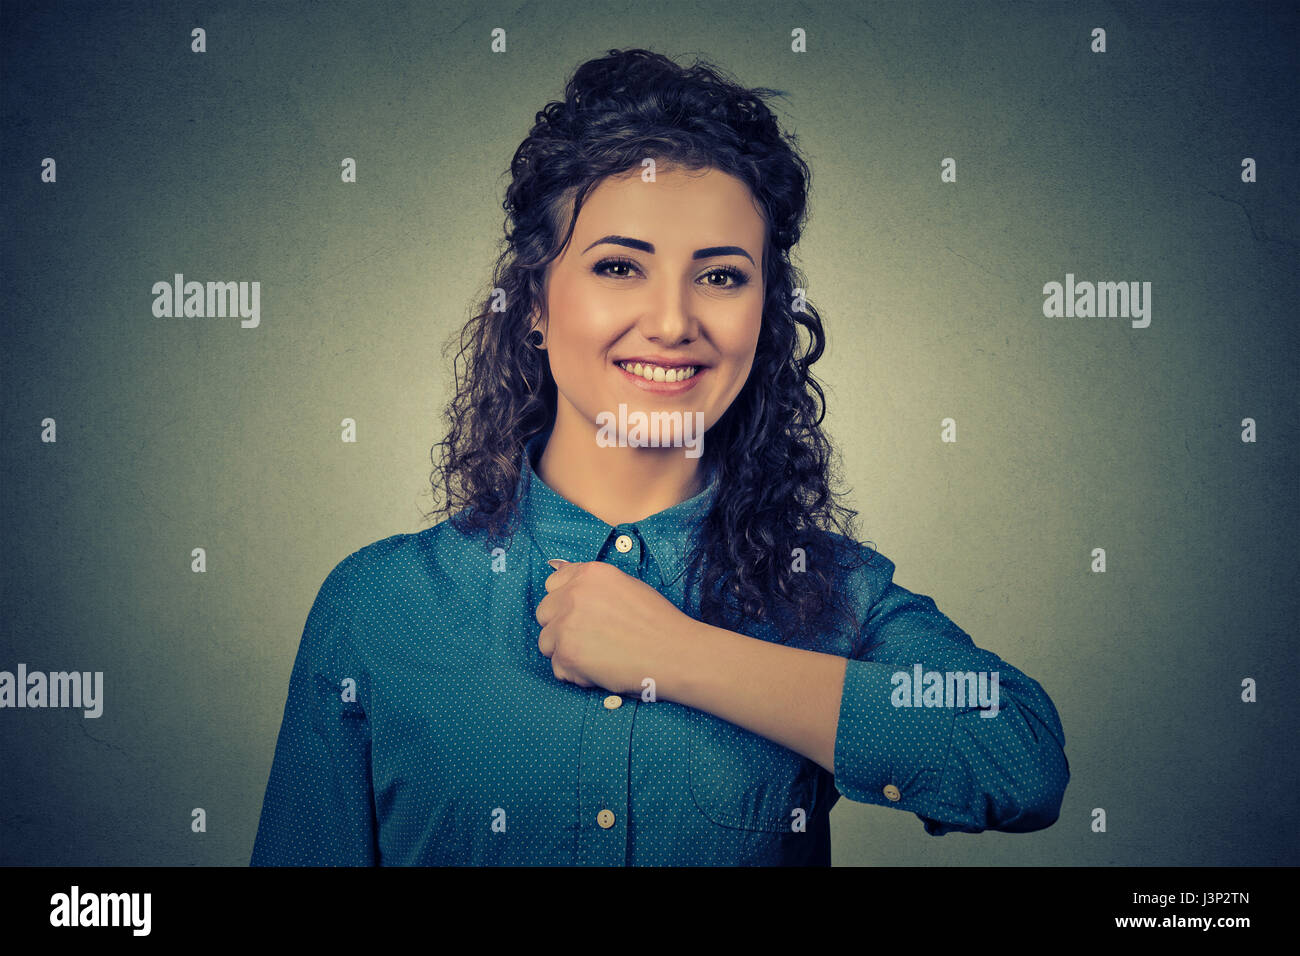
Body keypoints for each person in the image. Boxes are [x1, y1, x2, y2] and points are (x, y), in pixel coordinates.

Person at [250, 47, 1068, 866]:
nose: (673, 322)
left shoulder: (828, 596)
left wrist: (678, 654)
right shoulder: (377, 607)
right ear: (535, 300)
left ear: (766, 317)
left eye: (719, 276)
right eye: (618, 266)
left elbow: (1019, 759)